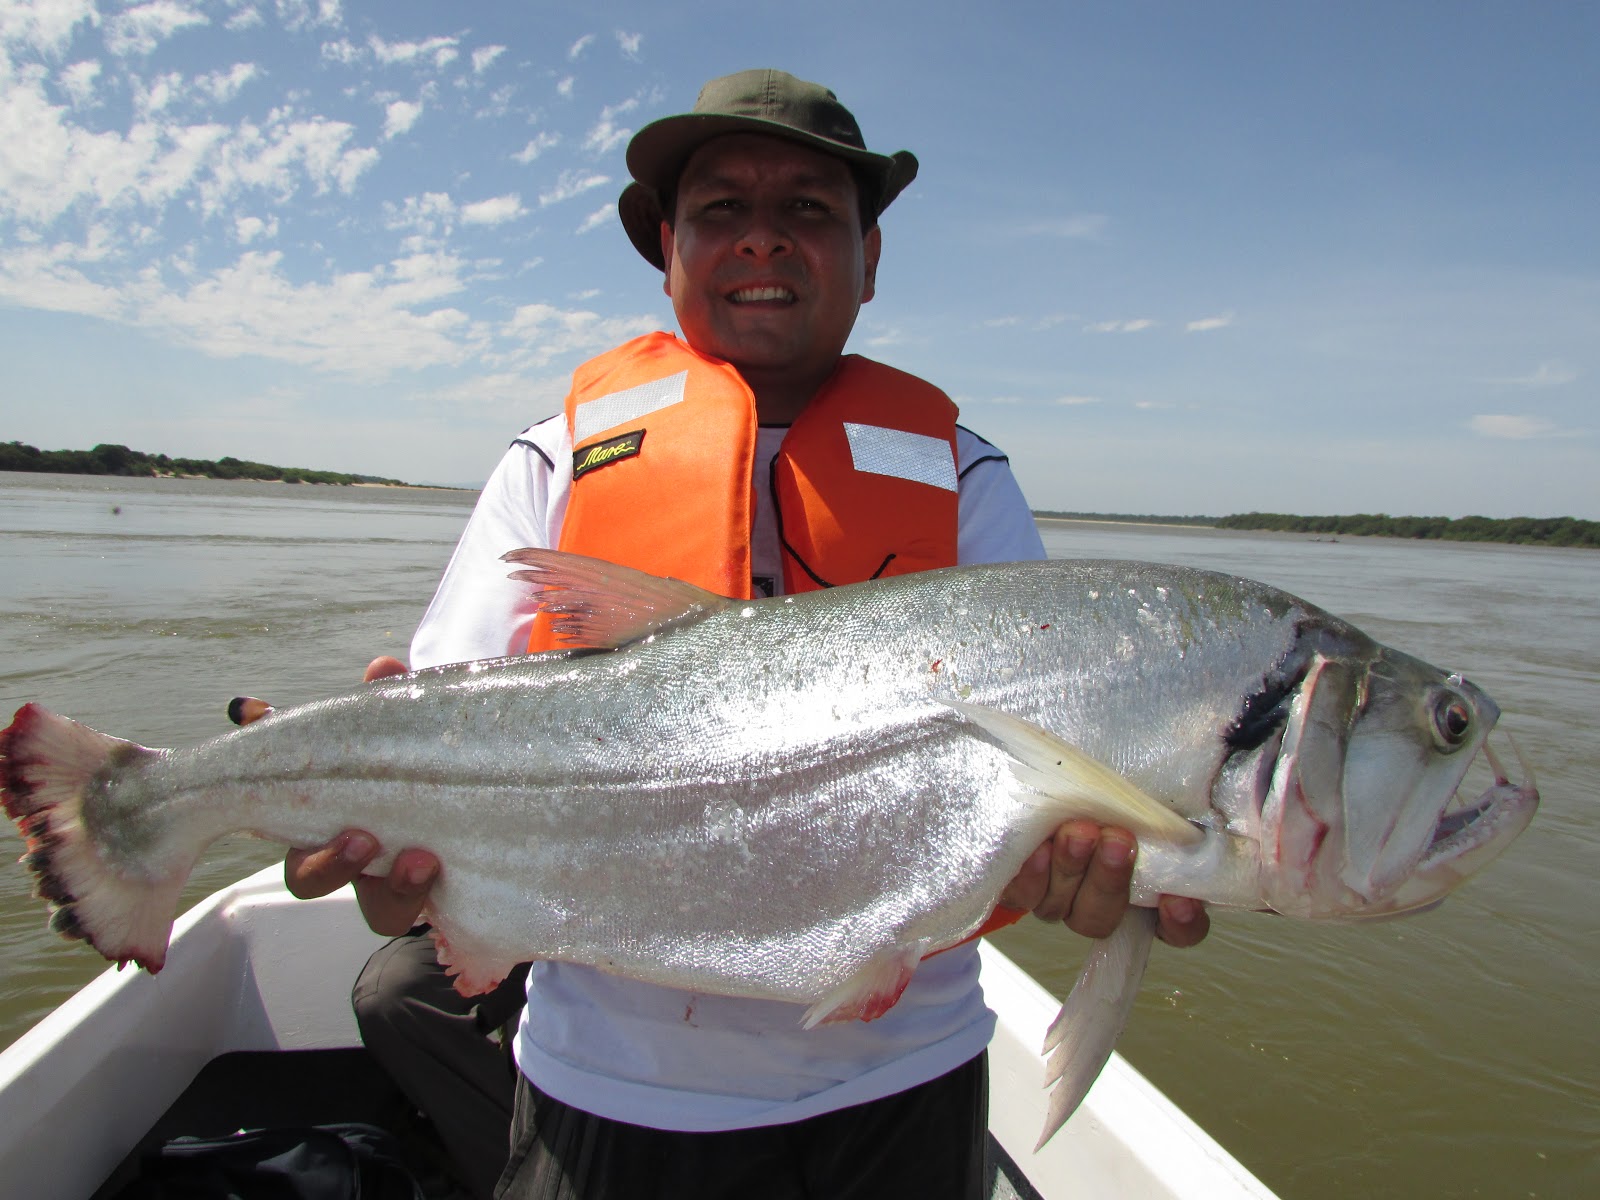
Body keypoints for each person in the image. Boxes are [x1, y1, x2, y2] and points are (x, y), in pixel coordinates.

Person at [286, 69, 1209, 1199]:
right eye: (722, 208)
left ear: (870, 258)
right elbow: (425, 795)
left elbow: (1050, 779)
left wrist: (1099, 867)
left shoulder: (965, 480)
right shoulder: (553, 464)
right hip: (608, 1092)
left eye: (807, 209)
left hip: (904, 1083)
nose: (762, 239)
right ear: (668, 249)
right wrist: (382, 859)